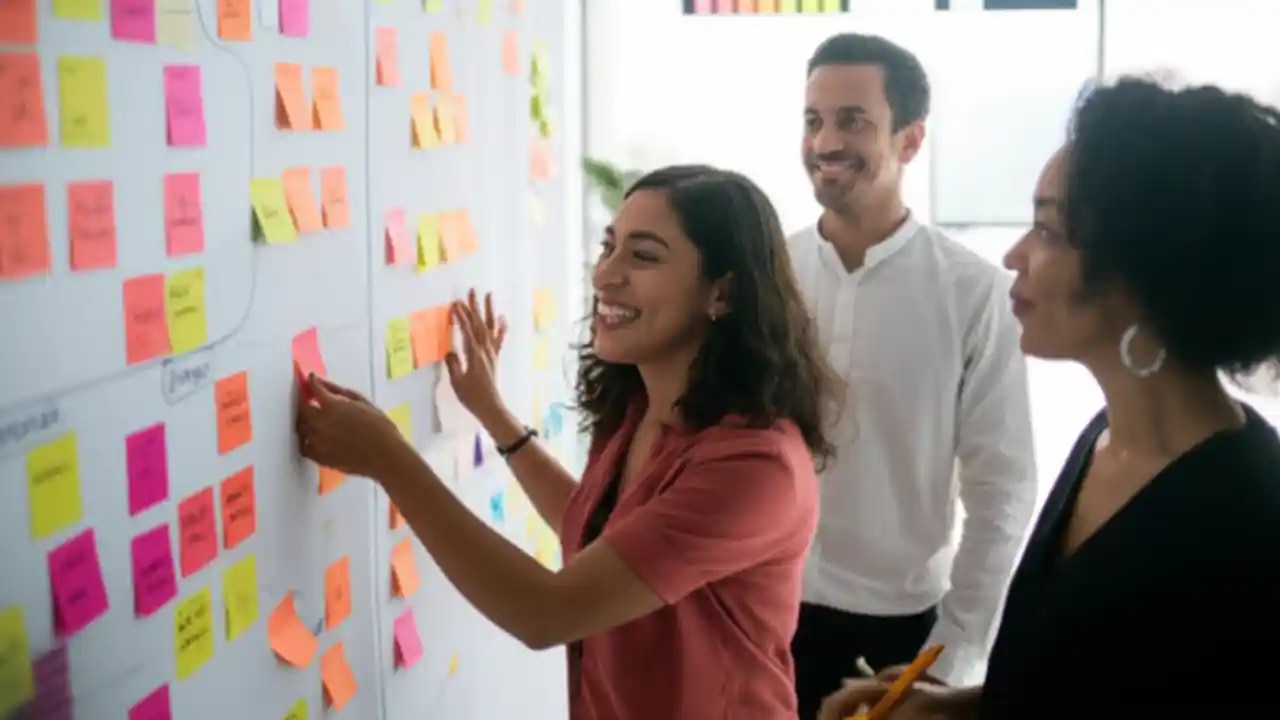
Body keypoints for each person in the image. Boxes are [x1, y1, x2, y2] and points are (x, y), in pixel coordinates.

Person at [295, 165, 837, 719]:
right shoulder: (640, 408)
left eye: (643, 256)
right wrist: (495, 417)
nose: (605, 275)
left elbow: (545, 613)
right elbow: (604, 534)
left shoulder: (755, 467)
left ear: (721, 291)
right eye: (609, 246)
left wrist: (391, 461)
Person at [818, 77, 1280, 719]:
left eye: (1049, 231)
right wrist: (953, 708)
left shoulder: (1247, 516)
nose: (1015, 255)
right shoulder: (1104, 439)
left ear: (1147, 269)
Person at [787, 32, 1038, 717]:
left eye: (853, 121)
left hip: (899, 632)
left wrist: (953, 654)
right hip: (758, 608)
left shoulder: (975, 292)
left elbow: (1002, 488)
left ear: (911, 139)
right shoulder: (767, 275)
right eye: (813, 120)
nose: (825, 141)